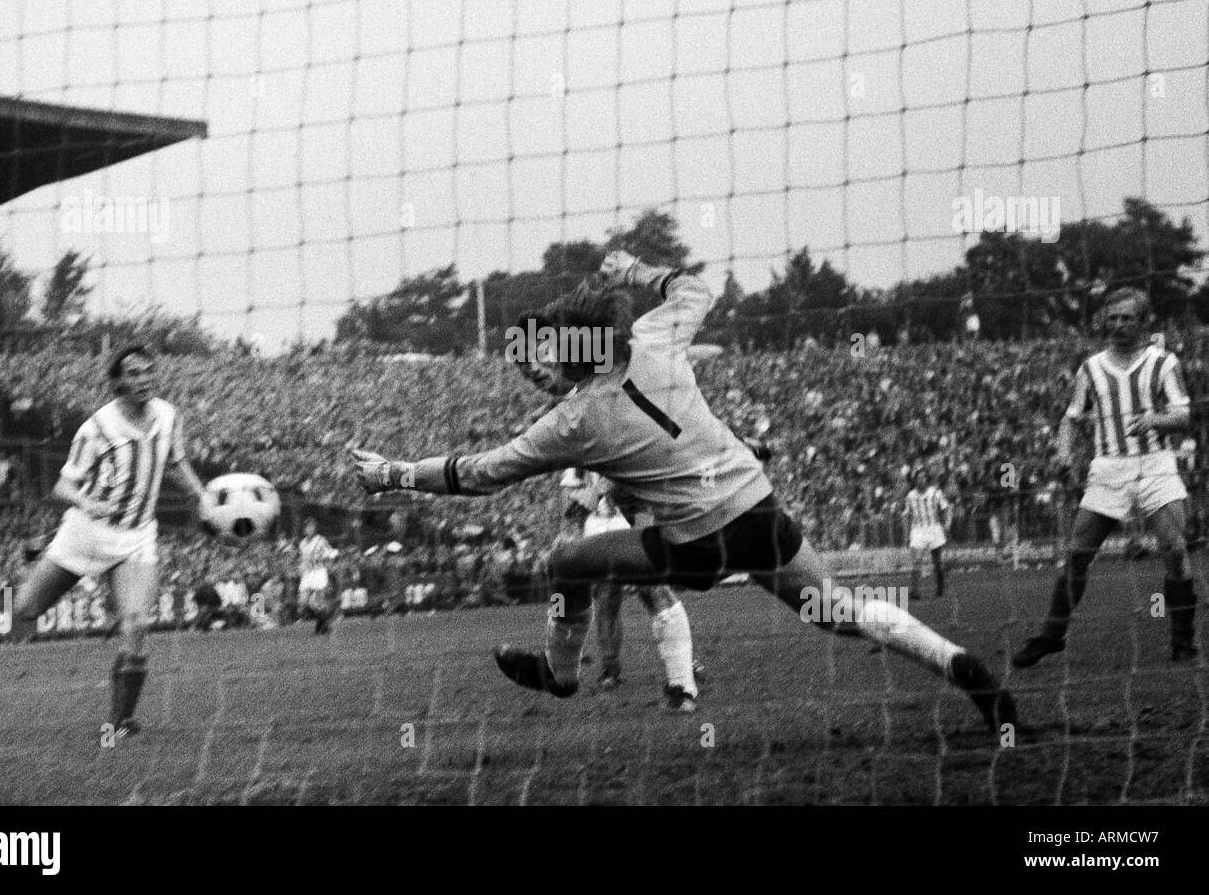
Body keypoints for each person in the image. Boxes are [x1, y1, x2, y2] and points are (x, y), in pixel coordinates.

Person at [352, 252, 1016, 734]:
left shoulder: (573, 424)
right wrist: (638, 270)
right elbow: (695, 288)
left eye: (544, 354)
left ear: (570, 353)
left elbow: (474, 474)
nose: (537, 366)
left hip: (697, 545)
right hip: (761, 512)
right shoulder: (653, 339)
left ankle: (561, 672)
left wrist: (390, 473)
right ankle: (960, 664)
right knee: (838, 610)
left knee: (565, 563)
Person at [9, 345, 213, 738]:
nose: (143, 379)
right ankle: (46, 548)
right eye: (133, 373)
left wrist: (201, 497)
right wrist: (87, 500)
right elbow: (63, 485)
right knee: (25, 608)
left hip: (136, 537)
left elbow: (176, 461)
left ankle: (119, 724)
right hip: (84, 535)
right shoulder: (96, 427)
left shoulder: (169, 416)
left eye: (148, 371)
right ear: (117, 382)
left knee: (136, 624)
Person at [1013, 288, 1198, 667]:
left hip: (1155, 465)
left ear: (1143, 322)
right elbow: (1070, 417)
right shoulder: (1091, 367)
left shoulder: (1163, 362)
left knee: (1174, 550)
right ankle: (1052, 635)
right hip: (1109, 468)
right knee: (1078, 554)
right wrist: (1064, 453)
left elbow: (1183, 415)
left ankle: (1182, 642)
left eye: (1126, 318)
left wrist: (1155, 420)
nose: (1117, 325)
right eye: (1112, 318)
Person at [562, 468, 701, 710]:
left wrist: (595, 492)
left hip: (631, 519)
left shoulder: (612, 441)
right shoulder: (574, 458)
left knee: (651, 587)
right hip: (596, 527)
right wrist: (571, 522)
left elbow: (620, 471)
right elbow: (568, 497)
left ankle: (683, 667)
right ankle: (610, 668)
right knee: (606, 598)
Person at [904, 468, 949, 598]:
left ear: (927, 479)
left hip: (934, 529)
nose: (921, 480)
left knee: (938, 561)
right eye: (918, 477)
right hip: (918, 530)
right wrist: (907, 533)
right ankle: (915, 591)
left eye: (923, 477)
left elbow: (945, 507)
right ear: (915, 480)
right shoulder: (911, 496)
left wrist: (947, 522)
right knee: (916, 561)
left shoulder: (936, 493)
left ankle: (940, 589)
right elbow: (907, 514)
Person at [297, 517, 339, 634]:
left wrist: (330, 561)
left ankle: (322, 626)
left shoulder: (321, 540)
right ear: (304, 529)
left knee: (318, 602)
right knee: (303, 602)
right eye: (308, 527)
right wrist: (301, 567)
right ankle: (324, 623)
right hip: (307, 573)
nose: (310, 529)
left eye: (312, 526)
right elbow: (303, 559)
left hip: (319, 572)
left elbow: (331, 552)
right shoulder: (302, 543)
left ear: (315, 528)